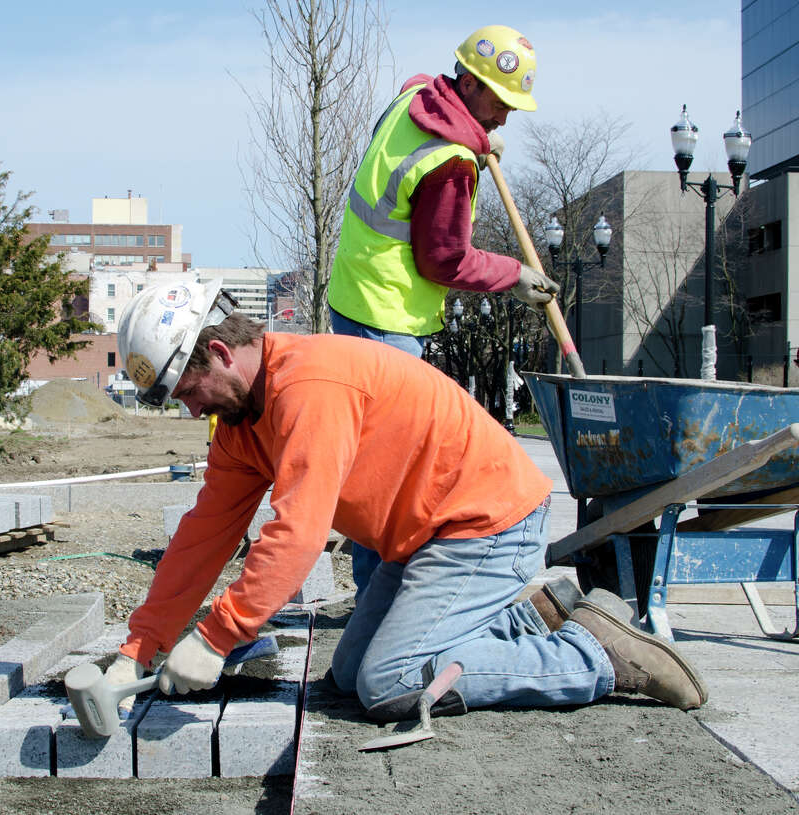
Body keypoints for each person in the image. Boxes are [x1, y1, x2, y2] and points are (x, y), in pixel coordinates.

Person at [101, 279, 706, 723]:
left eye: (187, 390)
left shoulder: (308, 388)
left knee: (387, 683)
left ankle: (595, 655)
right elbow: (203, 536)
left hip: (487, 524)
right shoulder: (240, 424)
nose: (190, 409)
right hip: (426, 540)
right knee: (346, 677)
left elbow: (298, 535)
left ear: (220, 354)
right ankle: (530, 614)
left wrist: (216, 637)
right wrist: (139, 646)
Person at [327, 24, 563, 597]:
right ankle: (379, 602)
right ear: (474, 85)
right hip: (389, 320)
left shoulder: (414, 97)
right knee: (390, 472)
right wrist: (515, 275)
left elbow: (423, 92)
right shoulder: (451, 164)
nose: (505, 117)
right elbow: (444, 261)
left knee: (371, 460)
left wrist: (479, 142)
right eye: (501, 104)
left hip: (352, 296)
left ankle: (375, 596)